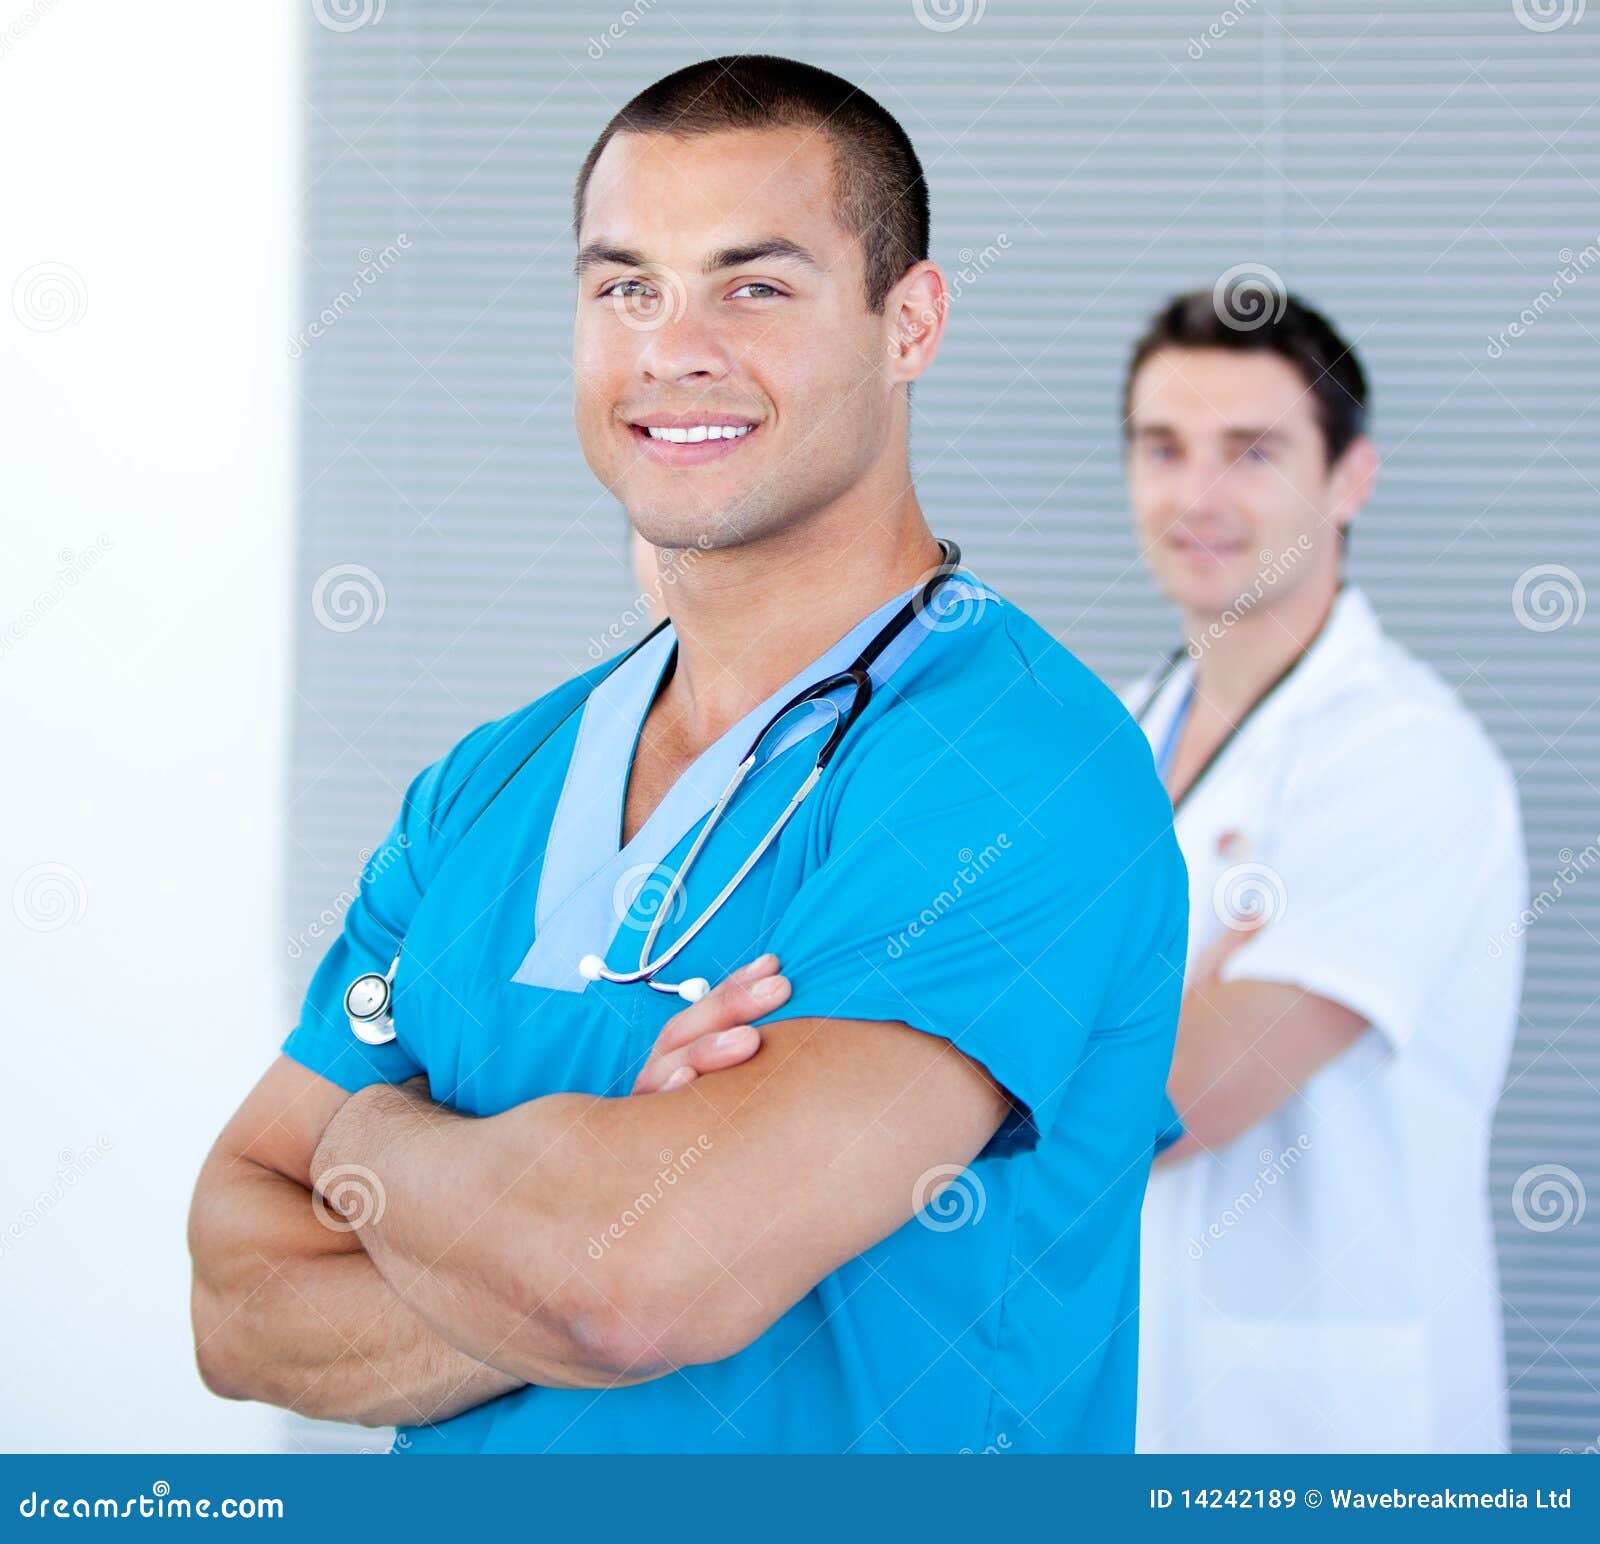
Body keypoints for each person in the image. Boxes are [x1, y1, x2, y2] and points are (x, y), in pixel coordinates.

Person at [188, 55, 1187, 1455]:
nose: (673, 350)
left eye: (754, 284)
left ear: (911, 323)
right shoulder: (487, 787)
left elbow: (631, 1289)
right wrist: (553, 1206)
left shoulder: (1015, 773)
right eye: (625, 287)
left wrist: (370, 1148)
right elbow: (234, 1303)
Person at [1120, 285, 1527, 1453]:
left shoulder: (1404, 756)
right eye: (1164, 448)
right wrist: (1159, 1007)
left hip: (1329, 1421)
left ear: (1350, 479)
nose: (1196, 496)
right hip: (1130, 1393)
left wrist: (1028, 1016)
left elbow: (1182, 1093)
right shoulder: (1108, 738)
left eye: (1253, 452)